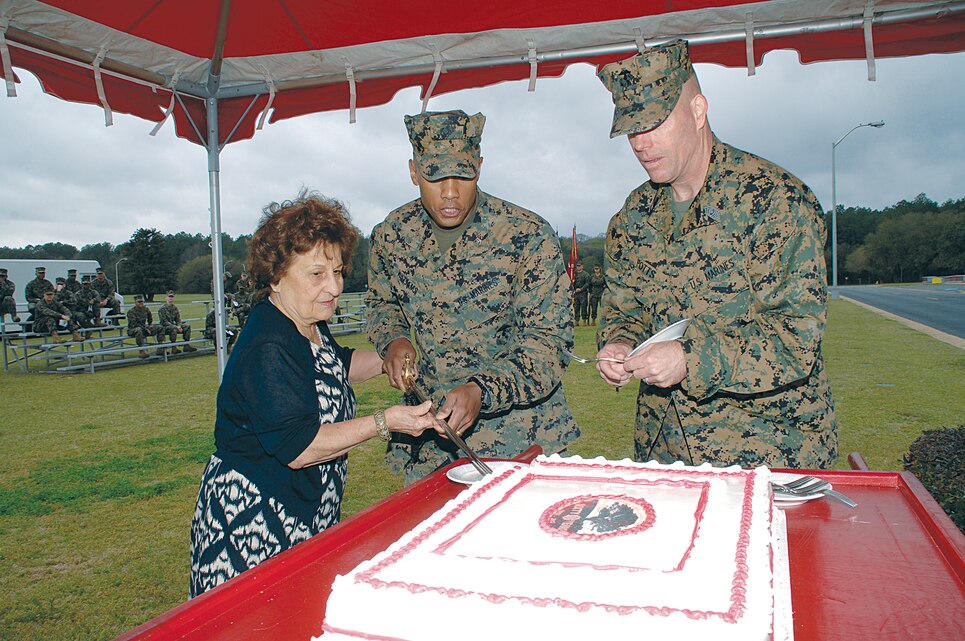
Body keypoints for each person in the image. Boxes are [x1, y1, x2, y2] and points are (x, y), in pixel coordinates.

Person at [594, 40, 837, 469]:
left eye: (655, 124)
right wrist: (618, 343)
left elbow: (797, 338)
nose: (641, 143)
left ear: (699, 111)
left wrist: (689, 358)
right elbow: (624, 309)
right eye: (633, 129)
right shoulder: (634, 217)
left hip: (767, 452)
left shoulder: (774, 202)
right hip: (666, 452)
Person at [189, 190, 442, 597]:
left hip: (303, 514)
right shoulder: (268, 344)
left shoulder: (306, 323)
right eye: (317, 274)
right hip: (256, 523)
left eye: (339, 272)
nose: (334, 287)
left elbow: (335, 365)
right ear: (276, 275)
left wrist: (389, 358)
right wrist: (386, 421)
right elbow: (299, 448)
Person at [366, 109, 579, 485]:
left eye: (462, 176)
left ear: (479, 168)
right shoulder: (392, 236)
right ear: (414, 171)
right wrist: (394, 341)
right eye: (435, 176)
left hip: (521, 439)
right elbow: (383, 305)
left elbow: (548, 346)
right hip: (431, 442)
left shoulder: (526, 236)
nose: (450, 192)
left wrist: (482, 389)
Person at [126, 294, 162, 358]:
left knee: (159, 328)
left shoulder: (145, 309)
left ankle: (160, 348)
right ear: (135, 302)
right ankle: (141, 351)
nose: (141, 303)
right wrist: (146, 329)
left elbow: (150, 317)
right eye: (139, 302)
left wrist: (150, 324)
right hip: (133, 329)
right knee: (138, 330)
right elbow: (134, 324)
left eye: (141, 301)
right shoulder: (131, 312)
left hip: (144, 328)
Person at [572, 261, 590, 326]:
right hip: (576, 293)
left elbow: (587, 283)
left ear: (582, 266)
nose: (578, 267)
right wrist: (574, 290)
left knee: (584, 307)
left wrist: (581, 289)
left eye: (579, 266)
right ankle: (577, 321)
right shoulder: (574, 274)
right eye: (577, 266)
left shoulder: (586, 274)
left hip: (583, 293)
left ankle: (584, 321)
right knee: (576, 307)